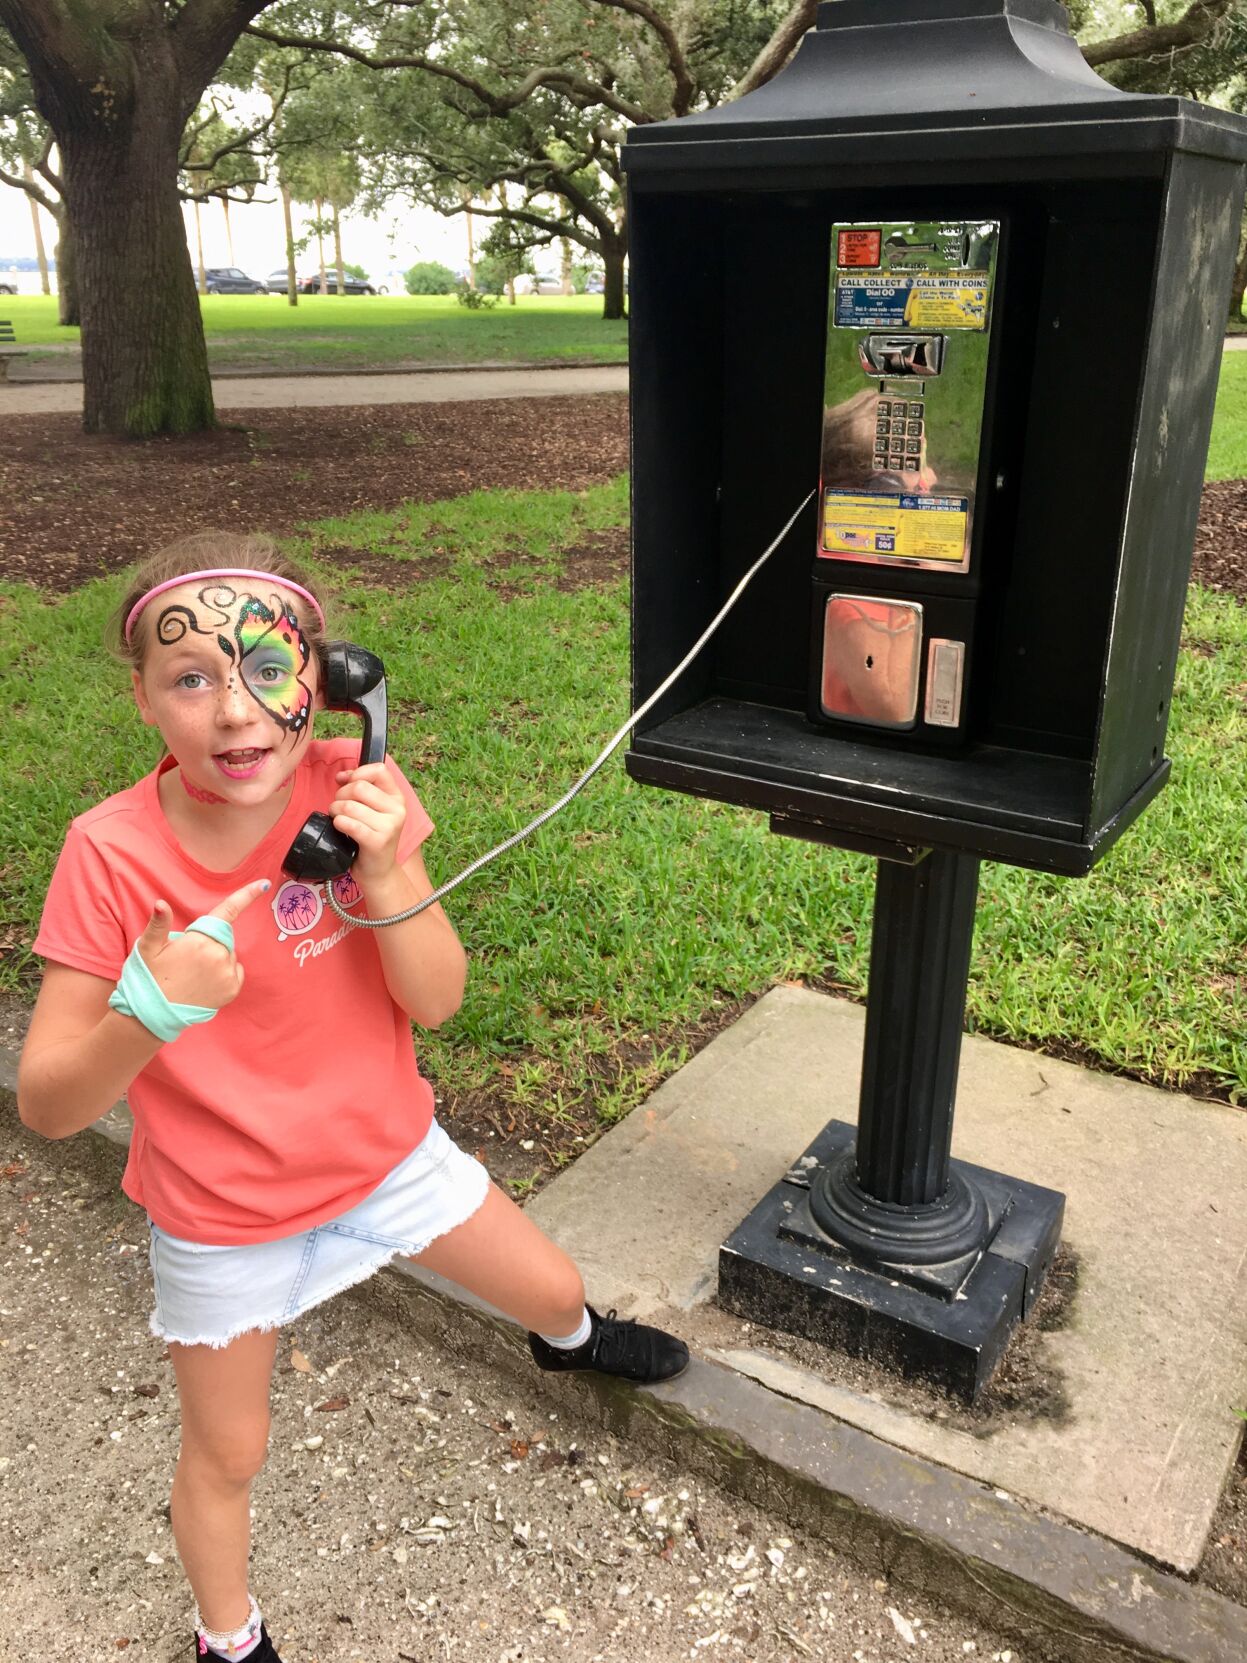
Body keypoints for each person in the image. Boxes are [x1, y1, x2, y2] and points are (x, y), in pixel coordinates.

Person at [17, 531, 688, 1663]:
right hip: (221, 1209)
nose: (236, 714)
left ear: (324, 685)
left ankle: (568, 1343)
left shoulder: (356, 792)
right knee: (228, 1451)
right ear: (142, 697)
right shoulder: (108, 854)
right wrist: (150, 1009)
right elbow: (45, 1105)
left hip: (383, 1154)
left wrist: (388, 868)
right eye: (192, 678)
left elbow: (436, 1000)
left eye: (268, 670)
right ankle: (225, 1637)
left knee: (554, 1284)